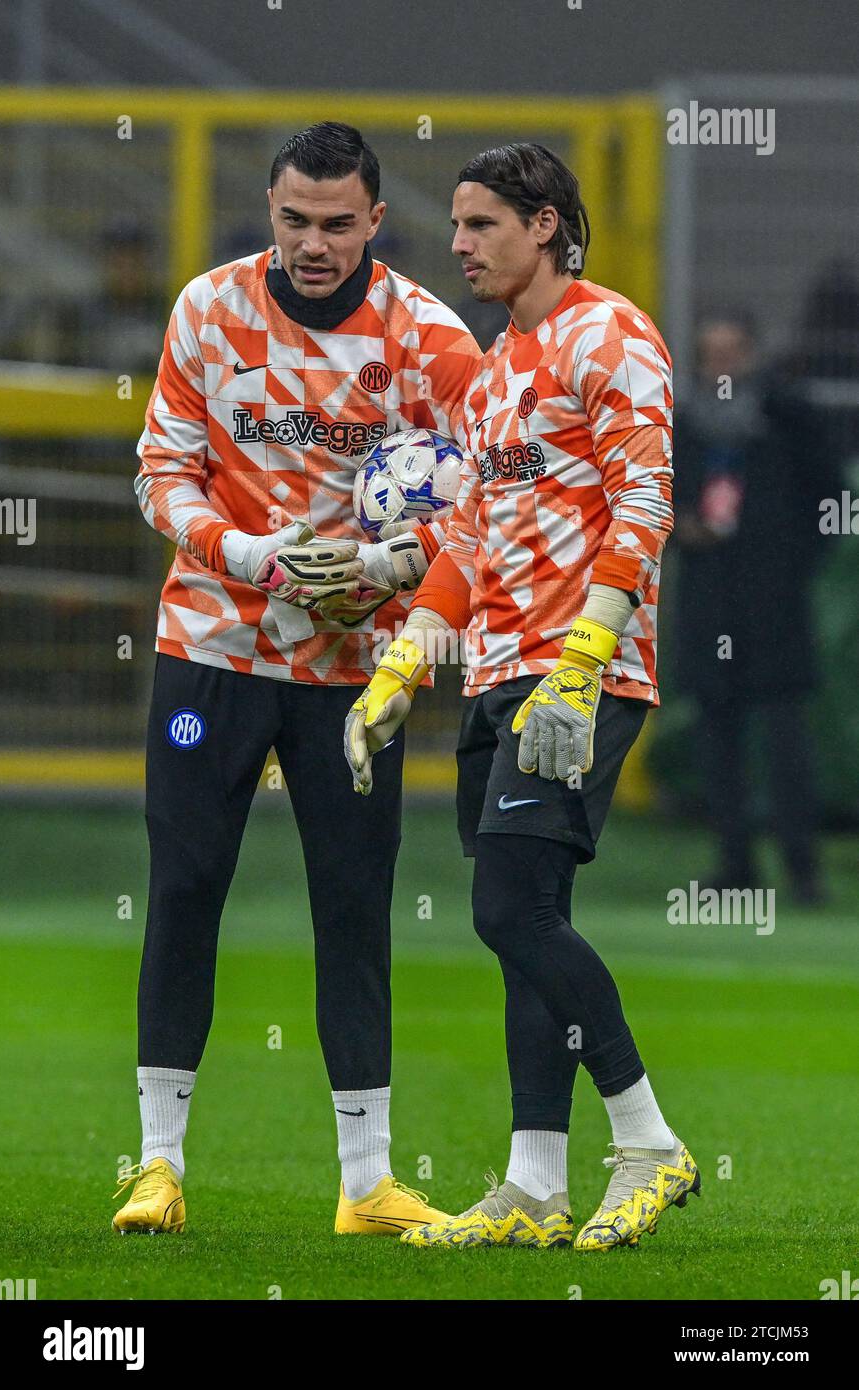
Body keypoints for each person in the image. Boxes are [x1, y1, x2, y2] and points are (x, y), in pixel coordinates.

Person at [113, 122, 481, 1237]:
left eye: (335, 223)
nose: (312, 243)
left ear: (375, 221)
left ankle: (365, 1183)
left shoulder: (428, 336)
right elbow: (161, 469)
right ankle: (158, 1167)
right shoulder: (209, 310)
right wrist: (246, 557)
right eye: (292, 219)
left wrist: (386, 565)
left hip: (353, 671)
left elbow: (485, 500)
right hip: (211, 649)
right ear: (268, 208)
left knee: (354, 909)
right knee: (182, 892)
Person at [344, 142, 699, 1251]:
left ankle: (646, 1142)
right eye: (454, 225)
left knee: (509, 909)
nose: (456, 244)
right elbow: (466, 539)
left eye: (479, 223)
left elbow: (645, 504)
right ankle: (532, 1182)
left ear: (544, 224)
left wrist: (587, 659)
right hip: (501, 675)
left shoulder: (610, 333)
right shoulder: (496, 368)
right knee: (522, 923)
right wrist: (403, 666)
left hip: (574, 674)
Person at [672, 314, 837, 902]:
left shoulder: (792, 417)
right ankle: (734, 863)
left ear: (752, 353)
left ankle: (802, 869)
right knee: (718, 741)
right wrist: (681, 527)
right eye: (709, 352)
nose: (721, 365)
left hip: (775, 607)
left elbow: (829, 498)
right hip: (710, 603)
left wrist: (788, 564)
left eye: (731, 351)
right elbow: (651, 497)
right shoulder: (681, 423)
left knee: (787, 740)